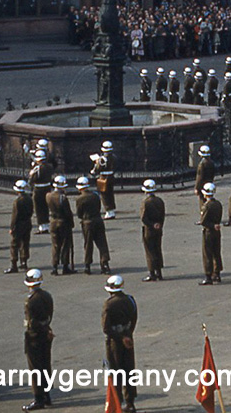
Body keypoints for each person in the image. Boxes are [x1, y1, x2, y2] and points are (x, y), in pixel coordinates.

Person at [101, 275, 137, 413]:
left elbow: (106, 328)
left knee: (116, 371)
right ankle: (130, 402)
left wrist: (120, 337)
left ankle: (117, 401)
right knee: (129, 370)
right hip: (128, 338)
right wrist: (127, 335)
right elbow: (133, 319)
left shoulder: (109, 304)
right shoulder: (130, 300)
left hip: (115, 342)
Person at [22, 269, 54, 411]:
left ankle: (38, 398)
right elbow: (49, 315)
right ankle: (47, 395)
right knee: (45, 365)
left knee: (35, 368)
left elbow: (32, 322)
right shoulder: (47, 295)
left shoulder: (31, 300)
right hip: (46, 332)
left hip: (34, 336)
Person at [76, 177, 111, 275]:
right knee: (102, 243)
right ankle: (105, 264)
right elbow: (99, 207)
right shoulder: (95, 196)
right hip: (98, 220)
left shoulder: (79, 199)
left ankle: (87, 265)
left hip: (87, 222)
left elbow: (79, 213)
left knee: (88, 244)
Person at [48, 176, 75, 276]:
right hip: (63, 222)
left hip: (53, 222)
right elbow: (68, 213)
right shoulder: (63, 198)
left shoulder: (48, 196)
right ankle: (65, 266)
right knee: (65, 245)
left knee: (55, 245)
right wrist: (71, 223)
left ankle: (54, 266)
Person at [139, 180, 165, 282]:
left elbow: (143, 218)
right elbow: (162, 215)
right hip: (159, 228)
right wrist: (159, 224)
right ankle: (159, 272)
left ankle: (152, 273)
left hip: (149, 229)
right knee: (158, 249)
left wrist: (152, 225)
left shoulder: (146, 202)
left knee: (150, 251)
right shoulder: (160, 201)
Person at [7, 180, 34, 274]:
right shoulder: (29, 199)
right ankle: (24, 261)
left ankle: (14, 264)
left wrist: (11, 227)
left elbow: (15, 216)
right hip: (27, 222)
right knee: (25, 243)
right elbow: (31, 211)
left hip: (18, 225)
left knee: (14, 244)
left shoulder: (17, 201)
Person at [198, 182, 222, 285]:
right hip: (217, 231)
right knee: (216, 252)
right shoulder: (218, 204)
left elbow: (203, 221)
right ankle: (217, 273)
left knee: (207, 253)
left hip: (209, 231)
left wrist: (211, 225)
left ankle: (208, 275)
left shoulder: (206, 206)